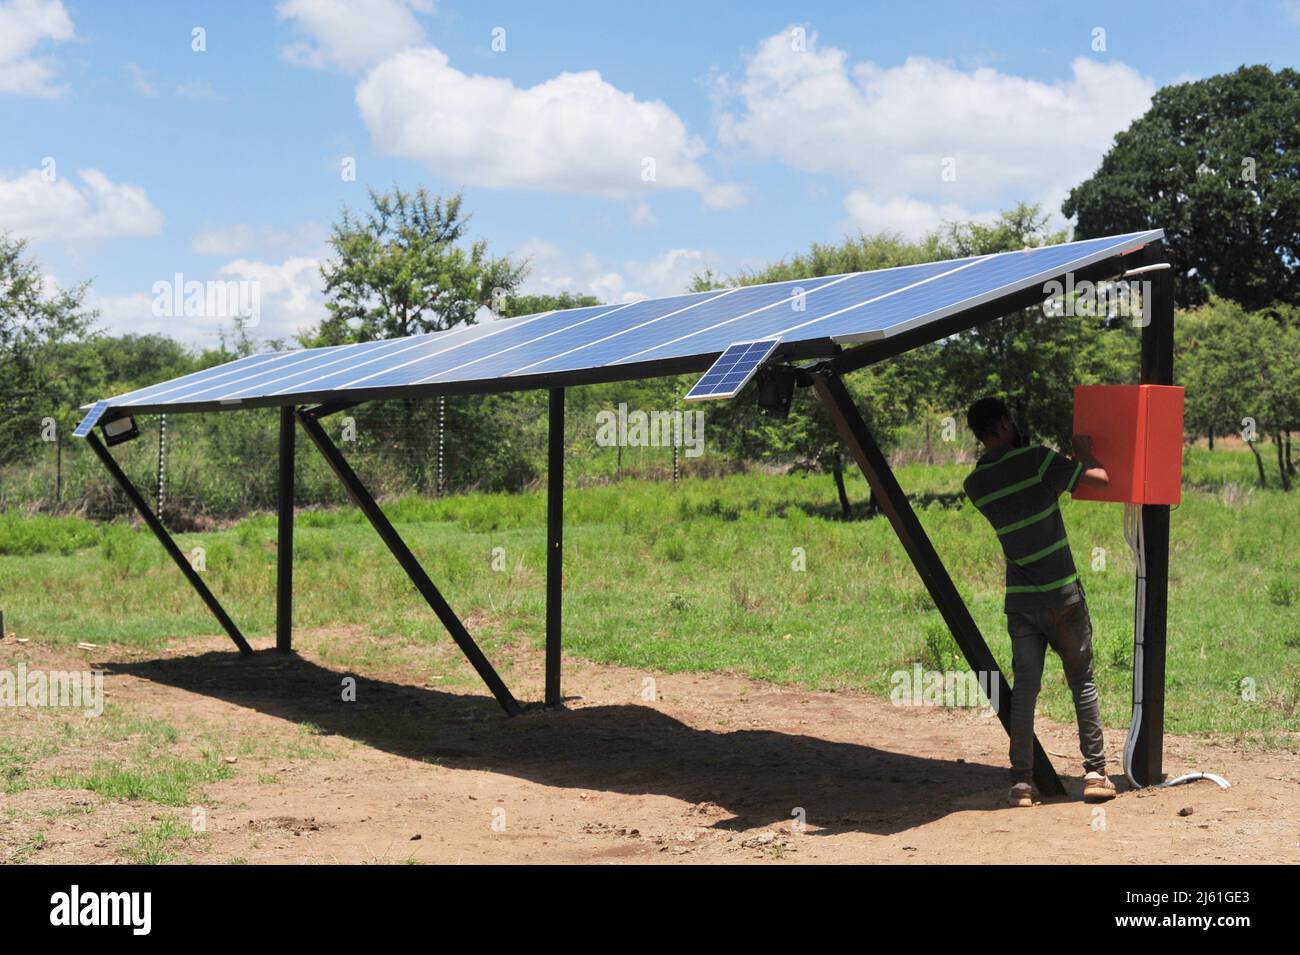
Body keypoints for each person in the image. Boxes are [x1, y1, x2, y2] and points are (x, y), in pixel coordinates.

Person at [963, 396, 1117, 807]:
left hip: (1021, 603)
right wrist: (1085, 455)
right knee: (1081, 682)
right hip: (1063, 594)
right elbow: (1100, 480)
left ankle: (1021, 784)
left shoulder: (976, 485)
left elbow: (1015, 491)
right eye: (1009, 419)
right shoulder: (1035, 460)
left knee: (1025, 692)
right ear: (1001, 424)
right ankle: (1096, 773)